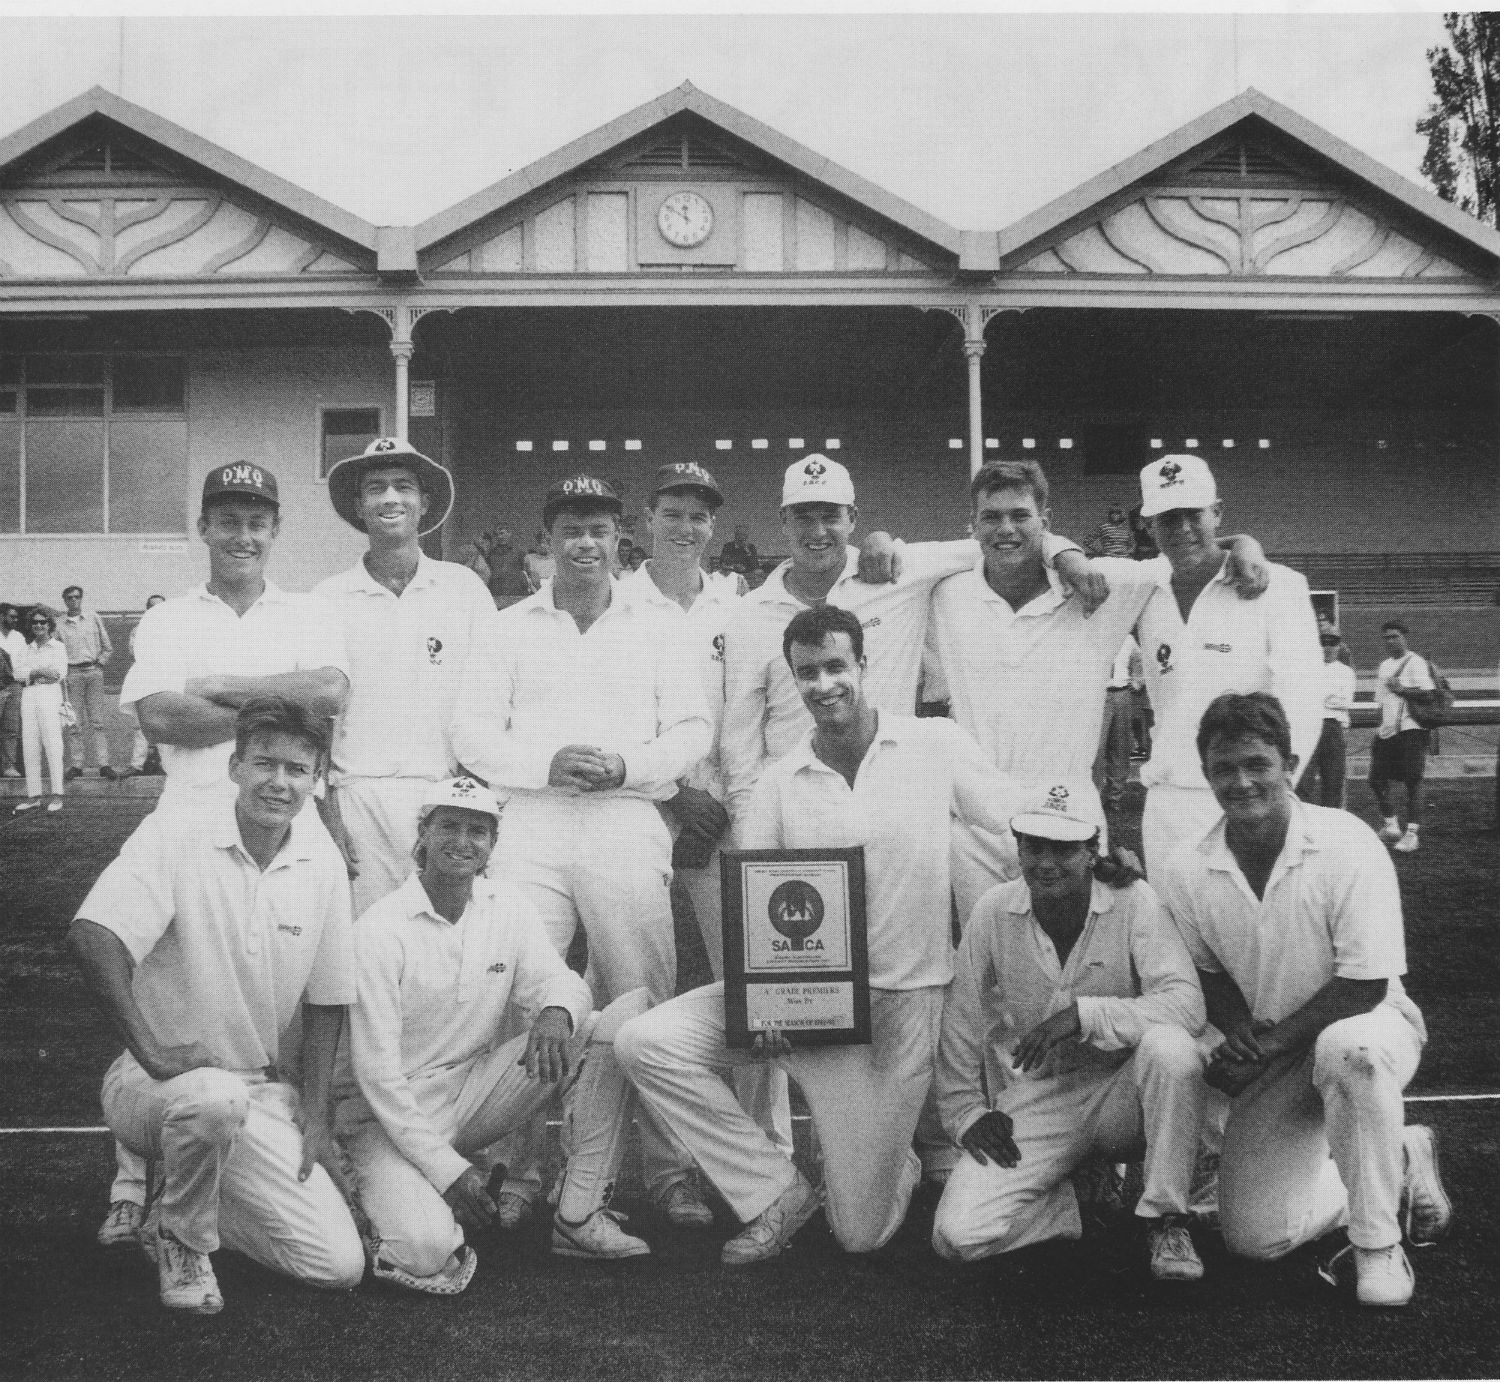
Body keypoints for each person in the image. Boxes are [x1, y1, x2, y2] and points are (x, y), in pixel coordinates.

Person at [617, 606, 1023, 1265]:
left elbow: (1011, 829)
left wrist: (1093, 862)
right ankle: (776, 1191)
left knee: (860, 1235)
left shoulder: (935, 745)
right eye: (807, 673)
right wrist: (768, 1006)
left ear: (864, 667)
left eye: (836, 666)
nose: (823, 684)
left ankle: (892, 1163)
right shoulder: (778, 784)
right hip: (809, 1017)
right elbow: (762, 913)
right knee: (645, 1043)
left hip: (901, 1012)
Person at [450, 473, 714, 1230]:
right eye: (570, 529)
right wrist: (545, 763)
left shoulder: (656, 626)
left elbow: (692, 730)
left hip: (627, 822)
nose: (585, 544)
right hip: (532, 825)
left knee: (643, 999)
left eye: (598, 529)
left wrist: (628, 767)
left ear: (619, 539)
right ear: (547, 541)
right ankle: (516, 1166)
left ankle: (668, 1172)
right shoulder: (508, 627)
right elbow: (470, 733)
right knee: (516, 993)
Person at [1153, 691, 1451, 1308]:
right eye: (1224, 768)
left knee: (1352, 1051)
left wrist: (1261, 1045)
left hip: (1370, 1027)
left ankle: (1377, 1246)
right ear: (1206, 774)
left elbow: (1364, 985)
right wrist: (1235, 1028)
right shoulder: (1186, 868)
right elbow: (1207, 973)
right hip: (1278, 1051)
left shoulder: (1346, 841)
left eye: (1258, 764)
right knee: (1256, 1240)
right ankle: (1397, 1154)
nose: (1242, 782)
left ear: (1289, 763)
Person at [68, 698, 365, 1314]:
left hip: (253, 1095)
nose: (278, 782)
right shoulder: (176, 833)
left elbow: (328, 1000)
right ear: (235, 767)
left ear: (316, 780)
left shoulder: (323, 863)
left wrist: (312, 1113)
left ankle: (186, 1195)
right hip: (156, 1087)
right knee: (211, 1098)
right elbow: (95, 932)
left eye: (296, 769)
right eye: (264, 764)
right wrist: (153, 1051)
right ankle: (179, 1236)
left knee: (337, 1266)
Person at [337, 778, 654, 1294]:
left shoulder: (506, 906)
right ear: (423, 836)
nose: (462, 842)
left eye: (477, 831)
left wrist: (555, 1010)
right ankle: (358, 1196)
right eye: (450, 827)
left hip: (472, 1093)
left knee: (606, 1027)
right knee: (425, 1252)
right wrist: (449, 1173)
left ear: (492, 846)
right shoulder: (378, 929)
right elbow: (377, 1077)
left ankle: (579, 1214)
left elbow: (563, 981)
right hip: (383, 1119)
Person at [926, 458, 1264, 925]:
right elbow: (884, 559)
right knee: (989, 970)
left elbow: (1188, 552)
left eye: (1020, 516)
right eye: (992, 517)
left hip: (1068, 813)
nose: (1006, 528)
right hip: (976, 821)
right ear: (973, 526)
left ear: (1045, 524)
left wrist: (1243, 544)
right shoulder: (945, 593)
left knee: (1081, 964)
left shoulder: (1103, 585)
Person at [930, 783, 1207, 1280]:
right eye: (1034, 847)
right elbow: (961, 1020)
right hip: (1046, 1095)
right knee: (957, 1236)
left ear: (1092, 851)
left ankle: (1167, 1217)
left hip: (1129, 1090)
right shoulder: (994, 910)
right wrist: (967, 1114)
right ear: (1018, 848)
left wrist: (1084, 1015)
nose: (1045, 863)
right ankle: (1078, 1200)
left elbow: (1187, 1007)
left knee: (1172, 1050)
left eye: (1063, 849)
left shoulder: (1133, 900)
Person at [620, 462, 791, 1160]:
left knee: (752, 984)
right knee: (644, 990)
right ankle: (666, 1169)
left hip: (720, 813)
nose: (685, 527)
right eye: (673, 513)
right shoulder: (617, 603)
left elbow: (750, 717)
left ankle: (769, 1151)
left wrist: (719, 802)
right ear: (647, 520)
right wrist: (669, 792)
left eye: (699, 516)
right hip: (638, 808)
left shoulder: (736, 607)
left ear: (714, 526)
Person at [312, 437, 494, 917]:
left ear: (424, 502)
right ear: (359, 506)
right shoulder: (326, 598)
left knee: (446, 947)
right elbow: (315, 720)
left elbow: (492, 699)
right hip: (358, 798)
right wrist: (327, 811)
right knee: (365, 953)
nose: (390, 498)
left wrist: (475, 806)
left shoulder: (465, 589)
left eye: (403, 486)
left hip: (445, 797)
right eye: (376, 488)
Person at [119, 464, 349, 814]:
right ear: (203, 529)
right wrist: (291, 716)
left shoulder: (311, 613)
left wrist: (216, 686)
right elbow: (159, 719)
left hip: (288, 815)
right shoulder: (165, 618)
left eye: (257, 524)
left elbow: (329, 694)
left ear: (275, 530)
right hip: (192, 812)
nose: (243, 537)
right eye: (228, 522)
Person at [1133, 455, 1323, 871]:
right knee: (1172, 932)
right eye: (1167, 517)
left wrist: (1271, 791)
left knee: (1255, 931)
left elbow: (1304, 701)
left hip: (1247, 797)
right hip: (1167, 800)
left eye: (1193, 514)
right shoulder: (1142, 589)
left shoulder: (1279, 586)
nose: (1182, 528)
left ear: (1217, 513)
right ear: (1148, 526)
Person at [1370, 620, 1435, 854]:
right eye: (1387, 637)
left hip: (1411, 729)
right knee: (1376, 779)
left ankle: (1412, 833)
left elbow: (1429, 694)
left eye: (1395, 636)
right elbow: (1380, 701)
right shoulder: (1384, 665)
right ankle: (1391, 826)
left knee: (1412, 781)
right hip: (1387, 731)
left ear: (1405, 637)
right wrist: (1379, 727)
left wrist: (1403, 690)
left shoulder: (1415, 662)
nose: (1391, 641)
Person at [58, 583, 117, 780]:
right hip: (72, 674)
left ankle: (104, 764)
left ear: (81, 599)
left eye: (77, 597)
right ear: (65, 601)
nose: (73, 600)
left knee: (97, 721)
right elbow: (55, 651)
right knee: (74, 723)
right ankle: (76, 765)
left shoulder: (94, 618)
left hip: (93, 672)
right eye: (69, 598)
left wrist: (99, 664)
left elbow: (107, 646)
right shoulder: (59, 624)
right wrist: (63, 671)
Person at [12, 608, 68, 815]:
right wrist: (38, 672)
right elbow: (18, 674)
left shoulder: (58, 647)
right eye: (35, 622)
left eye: (43, 622)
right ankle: (34, 796)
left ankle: (57, 794)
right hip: (29, 697)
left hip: (50, 696)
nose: (39, 625)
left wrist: (33, 673)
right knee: (30, 745)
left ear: (49, 625)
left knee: (53, 745)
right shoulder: (26, 649)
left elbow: (59, 673)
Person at [1300, 629, 1355, 809]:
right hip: (1308, 727)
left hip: (1332, 727)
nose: (1327, 647)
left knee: (1333, 782)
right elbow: (1301, 697)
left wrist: (1319, 698)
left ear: (1339, 646)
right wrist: (1326, 698)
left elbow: (1344, 701)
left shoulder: (1345, 672)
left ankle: (1331, 828)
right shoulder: (1306, 669)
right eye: (1323, 643)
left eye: (1332, 643)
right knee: (1303, 781)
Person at [1095, 636, 1144, 818]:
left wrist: (1137, 681)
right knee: (1096, 748)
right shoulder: (1097, 633)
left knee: (1120, 747)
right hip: (1099, 695)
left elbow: (1139, 659)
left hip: (1122, 694)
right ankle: (1093, 797)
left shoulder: (1128, 639)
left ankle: (1113, 798)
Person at [121, 596, 167, 779]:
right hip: (143, 677)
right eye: (152, 607)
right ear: (147, 609)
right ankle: (137, 764)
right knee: (141, 723)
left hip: (166, 677)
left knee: (164, 722)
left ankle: (166, 764)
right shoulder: (137, 630)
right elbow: (135, 651)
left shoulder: (174, 628)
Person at [0, 602, 25, 777]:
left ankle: (8, 766)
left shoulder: (19, 637)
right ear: (2, 617)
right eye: (12, 616)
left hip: (14, 686)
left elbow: (24, 663)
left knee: (11, 728)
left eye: (16, 617)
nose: (15, 620)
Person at [483, 526, 532, 609]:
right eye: (496, 534)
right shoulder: (490, 554)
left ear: (509, 534)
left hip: (516, 593)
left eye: (502, 533)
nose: (499, 537)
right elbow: (487, 573)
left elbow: (526, 572)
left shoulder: (519, 552)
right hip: (496, 593)